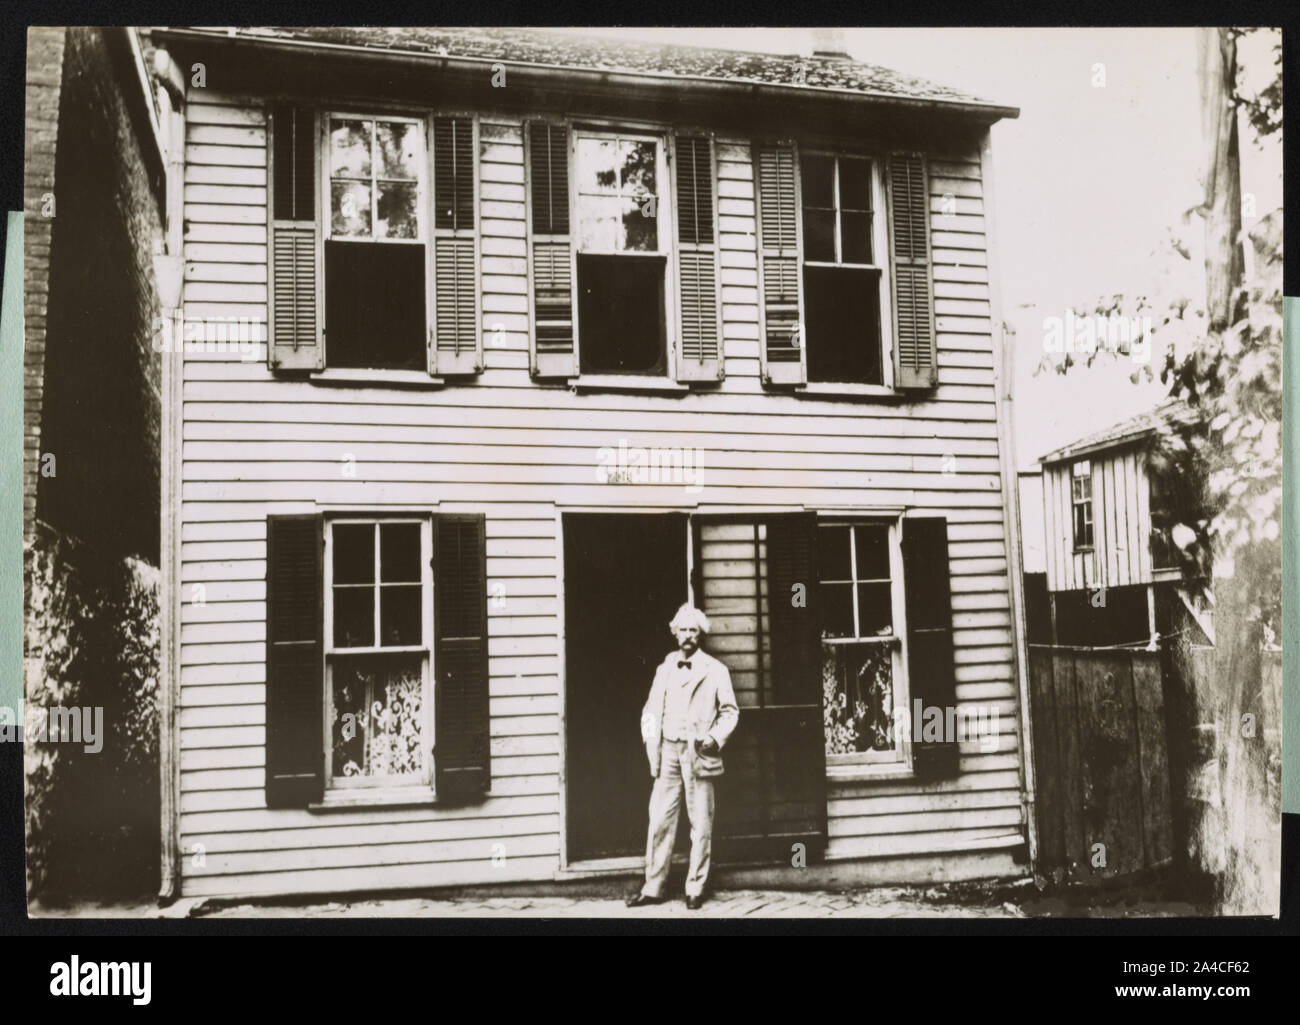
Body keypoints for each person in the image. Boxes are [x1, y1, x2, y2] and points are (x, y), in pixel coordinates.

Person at [626, 603, 739, 910]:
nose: (688, 636)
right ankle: (654, 887)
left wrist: (714, 739)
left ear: (700, 635)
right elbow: (649, 711)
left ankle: (696, 887)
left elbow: (730, 712)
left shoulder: (715, 671)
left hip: (698, 754)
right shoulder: (664, 670)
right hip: (667, 753)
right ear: (674, 633)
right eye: (683, 630)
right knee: (660, 820)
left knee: (701, 822)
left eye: (693, 630)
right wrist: (651, 741)